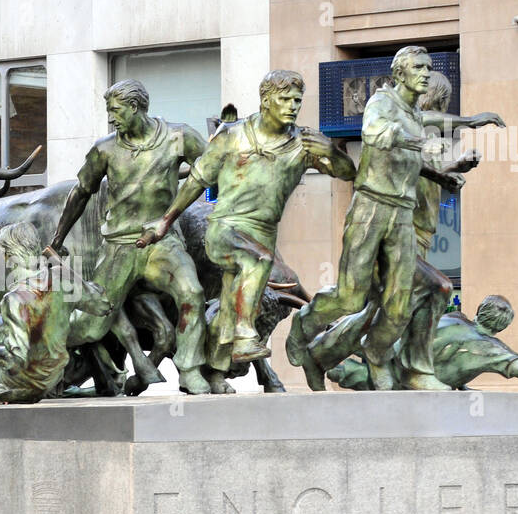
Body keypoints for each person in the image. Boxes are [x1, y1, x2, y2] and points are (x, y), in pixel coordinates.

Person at [286, 46, 503, 391]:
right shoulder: (381, 103)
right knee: (351, 297)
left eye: (428, 68)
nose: (425, 73)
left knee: (399, 303)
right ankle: (304, 323)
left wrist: (470, 121)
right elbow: (376, 134)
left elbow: (432, 120)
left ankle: (378, 353)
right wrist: (418, 144)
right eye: (418, 67)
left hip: (401, 214)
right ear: (400, 73)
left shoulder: (416, 111)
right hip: (371, 207)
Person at [137, 70, 356, 382]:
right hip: (224, 229)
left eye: (297, 100)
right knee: (258, 261)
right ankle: (244, 335)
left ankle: (215, 369)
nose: (292, 106)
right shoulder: (233, 136)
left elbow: (348, 174)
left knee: (229, 307)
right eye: (284, 99)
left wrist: (330, 151)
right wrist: (165, 220)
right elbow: (196, 181)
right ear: (266, 100)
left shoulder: (304, 143)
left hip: (263, 236)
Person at [48, 79, 211, 394]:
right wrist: (57, 239)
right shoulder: (105, 149)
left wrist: (171, 217)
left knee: (192, 293)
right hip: (118, 246)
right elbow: (81, 192)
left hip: (162, 244)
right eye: (110, 111)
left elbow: (211, 169)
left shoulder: (179, 138)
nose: (112, 118)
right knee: (90, 324)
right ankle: (40, 355)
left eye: (116, 110)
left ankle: (190, 370)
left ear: (136, 107)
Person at [0, 223, 110, 405]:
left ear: (8, 256)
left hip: (26, 381)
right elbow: (102, 305)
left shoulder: (15, 299)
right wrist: (65, 271)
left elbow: (15, 363)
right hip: (55, 373)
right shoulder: (61, 278)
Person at [330, 295, 518, 393]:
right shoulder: (493, 349)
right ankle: (340, 366)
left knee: (344, 361)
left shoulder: (452, 318)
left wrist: (460, 382)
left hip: (391, 358)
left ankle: (332, 345)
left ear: (479, 311)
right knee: (345, 373)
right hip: (411, 386)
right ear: (502, 327)